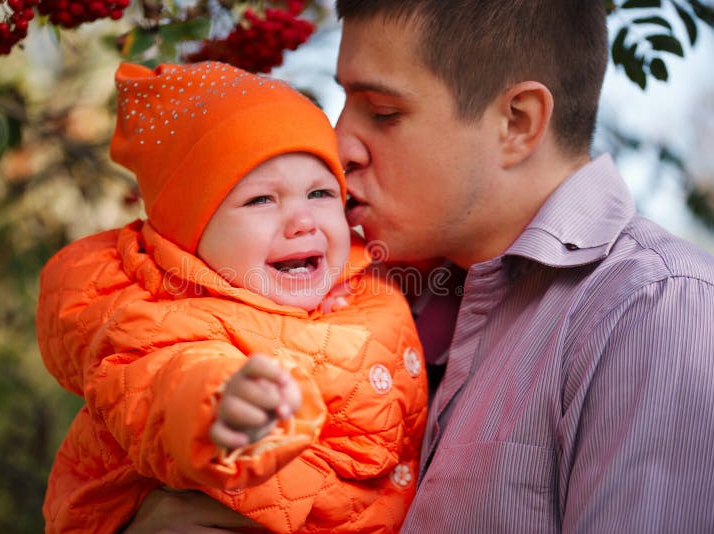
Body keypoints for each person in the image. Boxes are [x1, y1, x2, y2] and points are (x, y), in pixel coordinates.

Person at [124, 0, 714, 532]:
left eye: (382, 112)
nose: (338, 144)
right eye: (343, 102)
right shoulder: (349, 289)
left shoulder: (653, 312)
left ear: (518, 122)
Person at [36, 60, 427, 533]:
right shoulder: (156, 317)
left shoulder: (366, 278)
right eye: (261, 200)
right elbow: (166, 383)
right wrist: (221, 410)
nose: (302, 220)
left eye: (321, 193)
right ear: (189, 236)